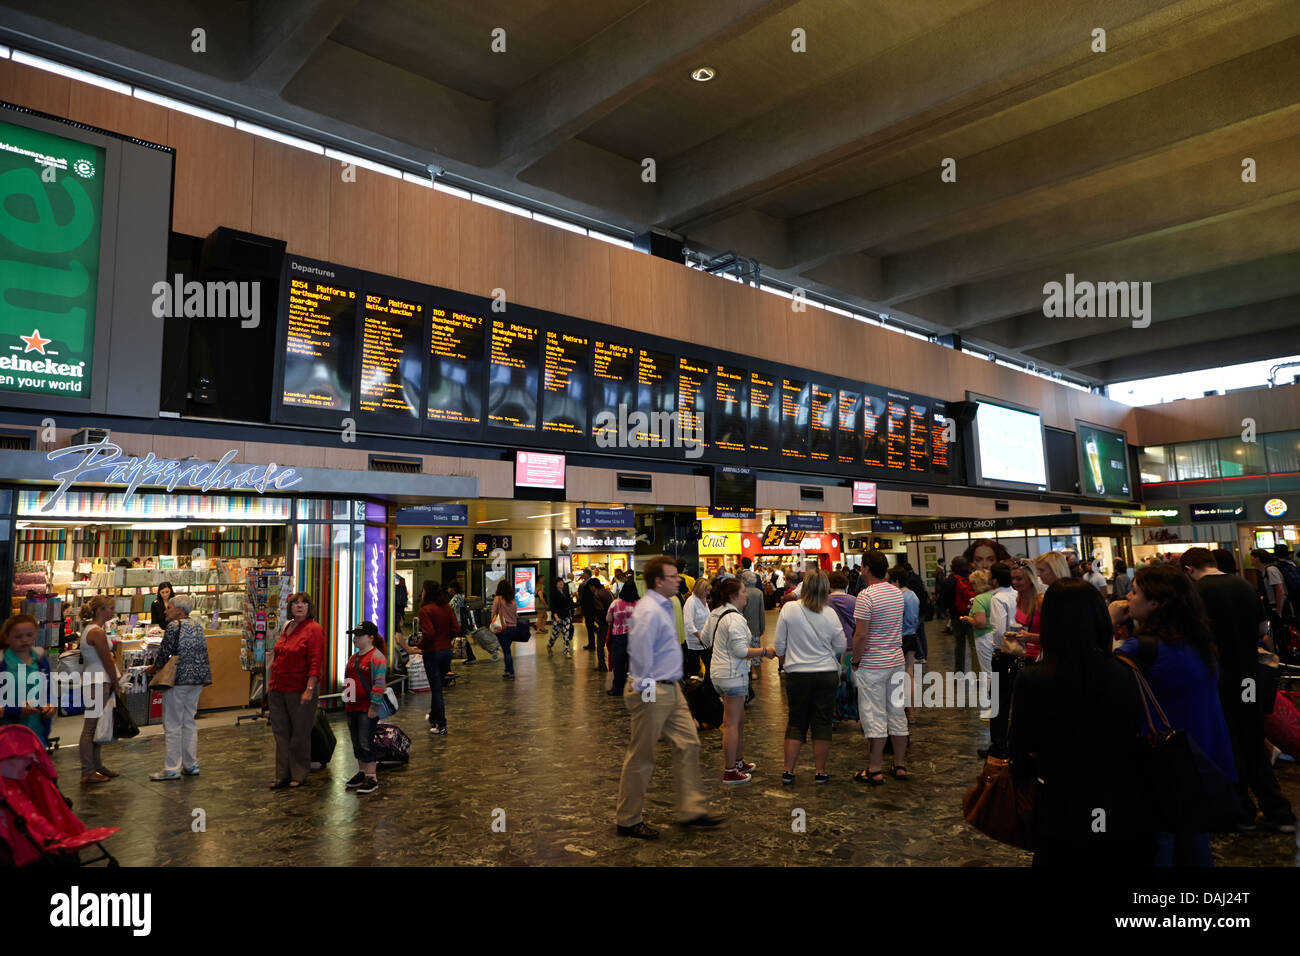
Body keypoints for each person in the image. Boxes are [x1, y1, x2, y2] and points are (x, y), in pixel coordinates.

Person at [1008, 579, 1151, 866]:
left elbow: (1021, 746)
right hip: (1117, 791)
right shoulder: (1124, 671)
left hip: (1060, 792)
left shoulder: (1034, 678)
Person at [1111, 564, 1235, 866]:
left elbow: (1102, 686)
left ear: (1155, 603)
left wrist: (1109, 622)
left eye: (1136, 591)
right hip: (1201, 759)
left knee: (1158, 843)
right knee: (1193, 843)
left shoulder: (1139, 649)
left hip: (1159, 763)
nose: (1128, 596)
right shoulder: (1196, 641)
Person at [1181, 547, 1295, 833]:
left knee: (1229, 742)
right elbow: (1261, 630)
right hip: (1249, 677)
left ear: (1188, 569)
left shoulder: (1197, 593)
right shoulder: (1243, 584)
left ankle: (1241, 810)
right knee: (1253, 738)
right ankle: (1277, 809)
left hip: (1219, 677)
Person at [615, 556, 723, 839]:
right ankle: (627, 819)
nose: (679, 580)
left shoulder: (667, 604)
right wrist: (650, 697)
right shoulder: (648, 610)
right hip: (651, 689)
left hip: (670, 688)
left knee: (689, 743)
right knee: (642, 755)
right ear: (659, 581)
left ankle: (691, 809)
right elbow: (639, 658)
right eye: (673, 576)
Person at [775, 570, 845, 784]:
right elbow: (841, 645)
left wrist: (788, 662)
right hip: (825, 674)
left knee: (796, 721)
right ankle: (820, 771)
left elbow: (779, 645)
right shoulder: (830, 613)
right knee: (822, 722)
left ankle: (788, 770)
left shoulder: (789, 609)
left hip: (797, 674)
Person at [704, 577, 771, 783]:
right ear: (733, 596)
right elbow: (741, 651)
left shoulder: (715, 613)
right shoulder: (736, 619)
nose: (746, 595)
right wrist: (765, 651)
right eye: (743, 592)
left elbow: (706, 640)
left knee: (738, 719)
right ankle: (730, 770)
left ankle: (738, 761)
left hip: (718, 672)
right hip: (733, 675)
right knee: (732, 723)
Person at [851, 550, 908, 784]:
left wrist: (855, 660)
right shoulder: (897, 593)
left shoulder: (865, 596)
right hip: (896, 660)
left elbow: (861, 635)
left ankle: (875, 769)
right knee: (897, 712)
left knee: (874, 715)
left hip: (873, 664)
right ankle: (900, 765)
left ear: (865, 568)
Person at [147, 593, 211, 781]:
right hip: (197, 679)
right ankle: (191, 764)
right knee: (189, 721)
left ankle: (171, 767)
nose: (166, 611)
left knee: (173, 723)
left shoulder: (174, 626)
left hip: (178, 679)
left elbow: (165, 651)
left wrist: (155, 668)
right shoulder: (197, 626)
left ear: (180, 610)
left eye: (169, 607)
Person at [268, 592, 325, 789]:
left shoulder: (314, 629)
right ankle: (282, 773)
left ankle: (299, 773)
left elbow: (316, 661)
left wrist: (309, 688)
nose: (300, 606)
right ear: (290, 607)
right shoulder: (287, 627)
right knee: (280, 733)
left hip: (300, 688)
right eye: (296, 603)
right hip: (278, 687)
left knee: (299, 733)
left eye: (304, 603)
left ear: (310, 607)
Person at [987, 559, 1041, 758]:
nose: (1015, 582)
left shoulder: (1040, 600)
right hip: (1020, 655)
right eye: (1013, 579)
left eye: (1019, 578)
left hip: (1033, 658)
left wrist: (1028, 637)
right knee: (1011, 703)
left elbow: (1054, 633)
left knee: (1011, 703)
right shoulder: (1017, 598)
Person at [77, 595, 121, 785]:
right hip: (98, 681)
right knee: (91, 727)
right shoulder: (97, 632)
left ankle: (96, 766)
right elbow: (107, 660)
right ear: (100, 610)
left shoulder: (93, 630)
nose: (113, 611)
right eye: (110, 608)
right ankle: (88, 770)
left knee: (95, 726)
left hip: (95, 679)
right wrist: (116, 682)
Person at [342, 621, 387, 795]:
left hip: (366, 707)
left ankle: (371, 776)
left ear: (370, 638)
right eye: (355, 636)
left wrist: (374, 706)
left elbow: (379, 684)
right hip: (352, 706)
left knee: (366, 741)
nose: (355, 639)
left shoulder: (377, 658)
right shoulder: (354, 658)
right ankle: (362, 772)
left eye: (359, 636)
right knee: (356, 741)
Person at [1, 614, 55, 745]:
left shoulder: (41, 661)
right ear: (7, 638)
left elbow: (47, 692)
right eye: (18, 636)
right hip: (6, 734)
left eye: (29, 635)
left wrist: (49, 707)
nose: (24, 640)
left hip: (36, 731)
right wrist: (15, 710)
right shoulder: (2, 663)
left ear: (36, 634)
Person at [418, 582, 459, 732]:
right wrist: (447, 640)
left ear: (426, 592)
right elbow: (456, 628)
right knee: (439, 686)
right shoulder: (446, 607)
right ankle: (434, 717)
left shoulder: (425, 610)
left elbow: (428, 633)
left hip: (432, 652)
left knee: (436, 690)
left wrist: (420, 645)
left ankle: (441, 724)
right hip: (446, 651)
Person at [888, 568, 921, 719]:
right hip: (912, 635)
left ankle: (898, 707)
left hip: (897, 638)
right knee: (910, 673)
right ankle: (911, 710)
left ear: (896, 581)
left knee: (895, 674)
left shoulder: (897, 596)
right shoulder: (913, 595)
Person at [605, 579, 638, 696]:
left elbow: (608, 619)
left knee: (618, 664)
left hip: (618, 636)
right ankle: (631, 688)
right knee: (632, 664)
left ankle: (617, 689)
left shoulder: (615, 603)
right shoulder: (638, 604)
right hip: (634, 637)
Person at [948, 556, 976, 670]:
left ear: (954, 567)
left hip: (957, 617)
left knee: (959, 645)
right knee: (974, 645)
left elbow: (944, 600)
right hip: (973, 615)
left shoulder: (950, 580)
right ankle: (978, 672)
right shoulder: (974, 578)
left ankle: (959, 671)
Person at [491, 578, 521, 680]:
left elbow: (493, 614)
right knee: (507, 649)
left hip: (503, 629)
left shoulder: (498, 599)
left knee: (507, 651)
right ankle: (507, 671)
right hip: (513, 628)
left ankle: (511, 672)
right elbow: (516, 614)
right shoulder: (512, 600)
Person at [682, 577, 711, 679]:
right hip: (694, 642)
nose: (708, 593)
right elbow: (688, 624)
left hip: (704, 641)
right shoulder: (691, 602)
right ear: (700, 589)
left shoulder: (703, 600)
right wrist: (700, 637)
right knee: (694, 670)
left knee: (710, 667)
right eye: (706, 590)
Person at [740, 570, 767, 669]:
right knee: (755, 648)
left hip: (743, 626)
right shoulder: (759, 593)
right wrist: (762, 626)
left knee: (745, 648)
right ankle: (754, 668)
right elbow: (761, 612)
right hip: (755, 626)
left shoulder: (742, 593)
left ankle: (748, 668)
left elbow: (740, 610)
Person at [548, 575, 575, 658]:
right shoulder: (554, 594)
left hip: (566, 615)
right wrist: (556, 616)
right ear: (556, 584)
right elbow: (553, 606)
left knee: (566, 634)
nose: (561, 583)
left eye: (562, 582)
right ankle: (549, 645)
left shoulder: (566, 592)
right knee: (555, 634)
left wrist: (570, 615)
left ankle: (567, 651)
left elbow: (569, 604)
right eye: (559, 582)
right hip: (558, 616)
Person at [593, 578, 614, 672]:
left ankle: (602, 665)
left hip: (604, 622)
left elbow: (600, 610)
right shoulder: (607, 591)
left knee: (600, 644)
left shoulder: (597, 594)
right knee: (611, 644)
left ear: (593, 586)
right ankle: (613, 664)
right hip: (612, 620)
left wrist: (598, 620)